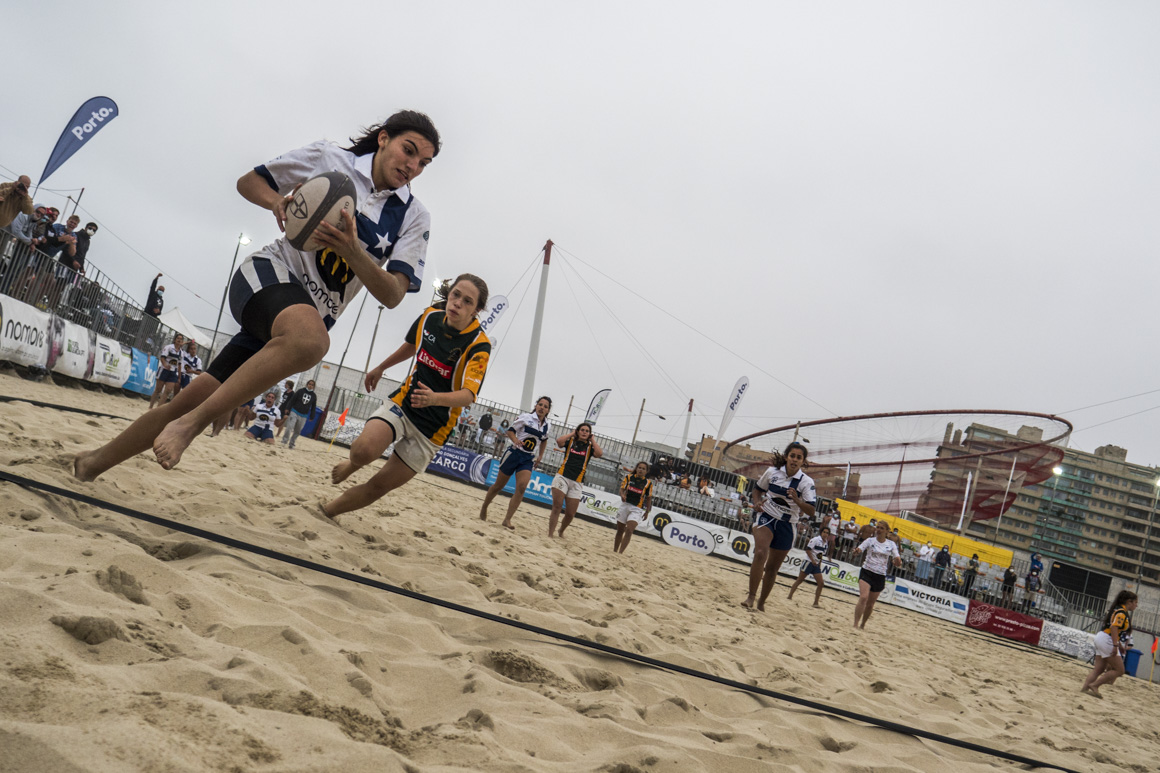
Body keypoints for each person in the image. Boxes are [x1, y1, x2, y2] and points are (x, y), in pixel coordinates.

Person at [73, 110, 441, 482]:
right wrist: (276, 203)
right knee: (312, 343)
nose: (413, 166)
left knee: (188, 399)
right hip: (267, 275)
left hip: (293, 321)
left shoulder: (414, 216)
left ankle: (91, 464)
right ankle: (192, 425)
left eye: (423, 163)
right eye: (408, 151)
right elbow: (249, 182)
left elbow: (393, 294)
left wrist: (353, 252)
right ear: (383, 139)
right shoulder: (330, 158)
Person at [324, 275, 490, 518]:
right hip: (405, 404)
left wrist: (435, 399)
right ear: (449, 293)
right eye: (455, 295)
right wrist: (381, 367)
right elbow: (413, 344)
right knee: (362, 451)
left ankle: (325, 512)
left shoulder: (479, 344)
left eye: (467, 301)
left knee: (378, 487)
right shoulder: (430, 315)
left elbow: (468, 395)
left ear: (477, 310)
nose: (457, 303)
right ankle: (352, 465)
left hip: (433, 428)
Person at [741, 442, 817, 612]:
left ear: (803, 461)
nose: (794, 460)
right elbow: (757, 490)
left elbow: (812, 511)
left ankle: (761, 602)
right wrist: (756, 502)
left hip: (788, 525)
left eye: (799, 457)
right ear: (786, 457)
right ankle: (751, 597)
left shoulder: (806, 482)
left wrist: (797, 500)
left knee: (773, 568)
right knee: (760, 553)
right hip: (766, 516)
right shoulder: (772, 472)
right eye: (792, 456)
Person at [478, 396, 552, 529]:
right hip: (513, 454)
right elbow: (510, 431)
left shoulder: (547, 425)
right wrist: (515, 440)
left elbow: (544, 439)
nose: (542, 408)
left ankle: (507, 519)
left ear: (548, 410)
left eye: (545, 406)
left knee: (522, 487)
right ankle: (484, 507)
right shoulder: (526, 417)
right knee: (498, 486)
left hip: (528, 458)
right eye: (540, 405)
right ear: (536, 406)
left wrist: (541, 455)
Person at [548, 422, 603, 538]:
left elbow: (599, 454)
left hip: (577, 481)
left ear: (590, 434)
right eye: (582, 430)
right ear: (578, 431)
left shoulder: (589, 447)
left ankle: (561, 530)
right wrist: (572, 433)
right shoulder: (571, 442)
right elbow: (559, 442)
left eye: (587, 431)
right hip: (563, 476)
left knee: (570, 513)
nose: (584, 432)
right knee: (557, 507)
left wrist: (592, 440)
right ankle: (550, 534)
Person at [1082, 590, 1139, 699]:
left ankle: (1084, 689)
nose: (1136, 605)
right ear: (1129, 602)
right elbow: (1114, 628)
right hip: (1107, 640)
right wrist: (1115, 645)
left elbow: (1113, 628)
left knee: (1098, 669)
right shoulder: (1122, 612)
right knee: (1120, 670)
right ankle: (1094, 685)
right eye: (1135, 602)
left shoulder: (1116, 609)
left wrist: (1120, 646)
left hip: (1101, 636)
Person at [852, 519, 902, 630]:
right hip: (867, 571)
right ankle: (855, 624)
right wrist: (857, 551)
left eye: (881, 528)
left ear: (887, 531)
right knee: (863, 598)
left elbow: (897, 557)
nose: (878, 530)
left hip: (880, 575)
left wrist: (898, 561)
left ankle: (863, 624)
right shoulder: (870, 540)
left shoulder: (891, 544)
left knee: (870, 604)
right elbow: (861, 548)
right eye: (878, 527)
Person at [614, 461, 653, 554]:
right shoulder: (629, 477)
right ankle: (615, 551)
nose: (641, 470)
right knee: (620, 530)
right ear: (636, 468)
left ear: (646, 471)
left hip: (637, 508)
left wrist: (647, 511)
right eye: (639, 467)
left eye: (643, 469)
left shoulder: (648, 483)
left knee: (629, 530)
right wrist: (622, 495)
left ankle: (620, 553)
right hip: (625, 505)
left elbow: (648, 498)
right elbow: (622, 489)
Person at [787, 529, 831, 607]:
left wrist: (819, 564)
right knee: (800, 580)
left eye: (827, 533)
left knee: (821, 583)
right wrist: (813, 560)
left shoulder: (826, 543)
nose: (825, 534)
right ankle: (790, 595)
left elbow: (820, 554)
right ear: (821, 532)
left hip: (816, 564)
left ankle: (816, 603)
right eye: (824, 532)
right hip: (808, 562)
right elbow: (807, 550)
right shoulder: (815, 540)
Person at [149, 333, 186, 409]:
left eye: (181, 339)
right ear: (175, 340)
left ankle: (158, 409)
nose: (179, 340)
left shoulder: (181, 353)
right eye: (178, 338)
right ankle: (150, 407)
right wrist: (165, 365)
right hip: (164, 370)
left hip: (173, 372)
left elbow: (179, 365)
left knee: (168, 391)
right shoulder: (169, 347)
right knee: (158, 390)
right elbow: (162, 358)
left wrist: (179, 377)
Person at [279, 379, 317, 450]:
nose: (310, 385)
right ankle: (284, 441)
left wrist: (312, 415)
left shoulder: (314, 396)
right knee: (289, 427)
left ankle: (292, 443)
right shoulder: (300, 391)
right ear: (307, 384)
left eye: (312, 385)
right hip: (295, 411)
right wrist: (288, 408)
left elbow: (313, 406)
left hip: (304, 415)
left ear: (314, 386)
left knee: (298, 431)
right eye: (309, 384)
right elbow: (292, 400)